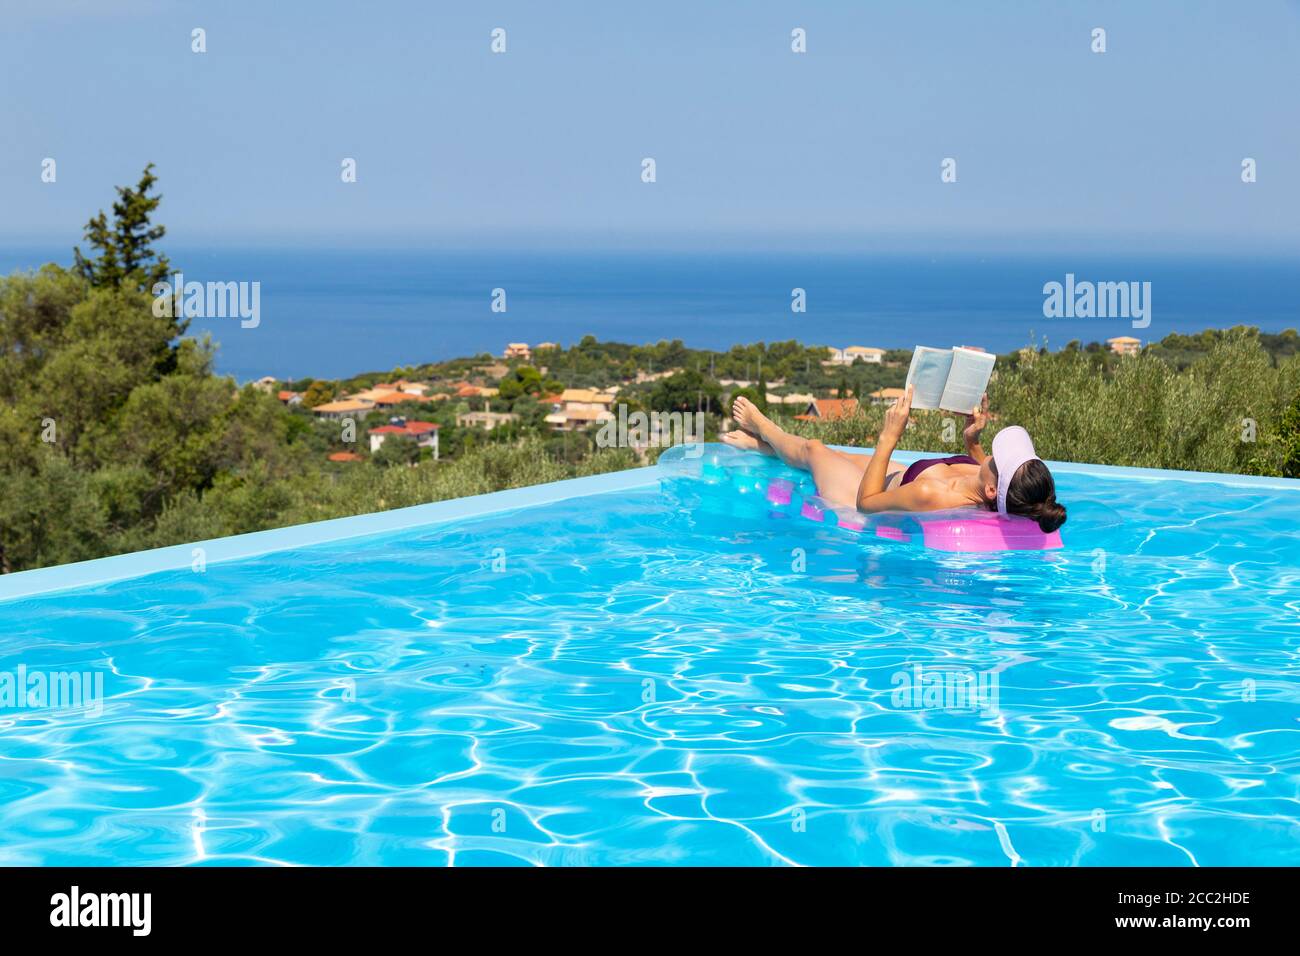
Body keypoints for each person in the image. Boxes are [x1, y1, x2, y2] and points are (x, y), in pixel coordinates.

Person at [724, 388, 1066, 532]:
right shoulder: (991, 488)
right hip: (899, 478)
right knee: (836, 454)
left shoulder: (934, 495)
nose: (991, 454)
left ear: (993, 490)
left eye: (997, 459)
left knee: (814, 449)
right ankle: (765, 449)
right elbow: (985, 471)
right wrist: (971, 440)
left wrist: (889, 436)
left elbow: (867, 503)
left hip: (860, 494)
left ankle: (763, 428)